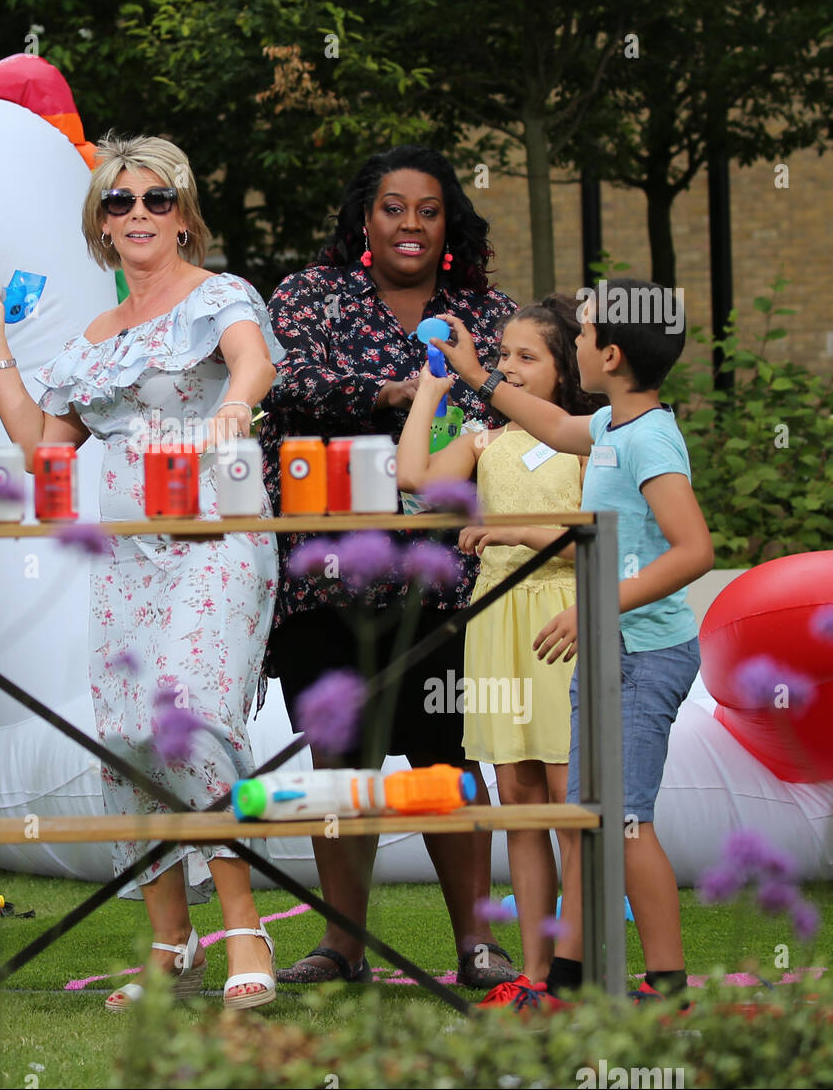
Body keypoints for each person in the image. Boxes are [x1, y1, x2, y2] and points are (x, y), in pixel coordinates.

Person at [0, 134, 284, 1010]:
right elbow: (42, 448)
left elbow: (253, 358)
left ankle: (246, 928)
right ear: (99, 224)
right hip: (127, 556)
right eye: (119, 202)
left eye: (156, 199)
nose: (138, 214)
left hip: (218, 537)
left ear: (183, 216)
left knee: (191, 709)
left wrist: (235, 405)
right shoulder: (93, 339)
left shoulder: (220, 298)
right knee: (129, 736)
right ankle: (171, 947)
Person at [260, 144, 519, 988]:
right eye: (393, 208)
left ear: (451, 225)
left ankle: (477, 945)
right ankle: (342, 946)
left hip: (451, 576)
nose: (411, 224)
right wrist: (391, 393)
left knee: (448, 756)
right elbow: (283, 382)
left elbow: (518, 402)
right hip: (323, 571)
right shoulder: (309, 296)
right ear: (364, 220)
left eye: (429, 210)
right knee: (341, 761)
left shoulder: (487, 312)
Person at [436, 276, 714, 1004]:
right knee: (587, 819)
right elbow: (554, 426)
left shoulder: (650, 439)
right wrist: (475, 375)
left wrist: (596, 607)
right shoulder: (611, 428)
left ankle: (667, 987)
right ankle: (564, 982)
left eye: (584, 334)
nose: (576, 340)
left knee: (622, 823)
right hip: (610, 653)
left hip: (643, 654)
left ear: (610, 355)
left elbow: (693, 552)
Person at [397, 295, 602, 999]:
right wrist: (432, 387)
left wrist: (515, 530)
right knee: (515, 798)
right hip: (494, 622)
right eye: (502, 354)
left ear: (564, 369)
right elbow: (415, 478)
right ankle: (536, 974)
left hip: (560, 620)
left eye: (526, 357)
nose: (507, 368)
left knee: (563, 796)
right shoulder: (487, 439)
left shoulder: (587, 444)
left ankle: (584, 966)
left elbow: (596, 544)